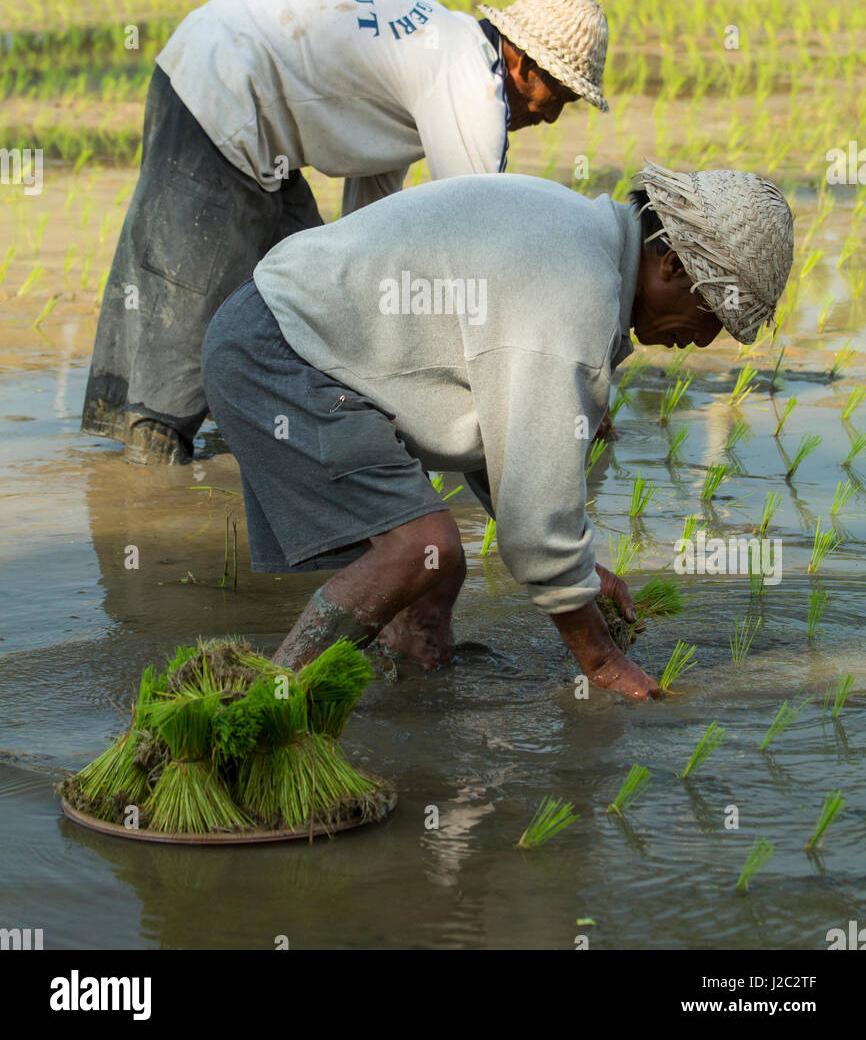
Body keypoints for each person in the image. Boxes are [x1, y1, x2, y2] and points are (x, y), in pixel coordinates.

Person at [200, 163, 794, 701]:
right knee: (417, 551)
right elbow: (537, 515)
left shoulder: (579, 240)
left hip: (290, 336)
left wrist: (581, 576)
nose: (704, 339)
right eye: (714, 313)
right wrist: (602, 660)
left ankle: (416, 700)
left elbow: (506, 450)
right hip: (279, 351)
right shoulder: (573, 290)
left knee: (437, 563)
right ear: (670, 265)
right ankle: (265, 708)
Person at [81, 0, 608, 465]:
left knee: (300, 283)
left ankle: (251, 417)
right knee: (194, 281)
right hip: (225, 84)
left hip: (235, 79)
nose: (552, 115)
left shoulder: (442, 56)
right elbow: (480, 241)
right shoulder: (471, 87)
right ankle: (149, 459)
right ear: (521, 63)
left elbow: (366, 230)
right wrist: (550, 376)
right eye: (557, 95)